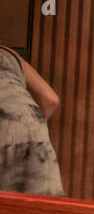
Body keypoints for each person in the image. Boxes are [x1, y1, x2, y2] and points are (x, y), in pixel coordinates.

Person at [0, 46, 64, 196]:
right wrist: (29, 128)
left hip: (3, 126)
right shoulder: (7, 52)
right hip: (33, 128)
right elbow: (51, 99)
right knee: (42, 210)